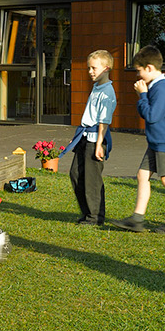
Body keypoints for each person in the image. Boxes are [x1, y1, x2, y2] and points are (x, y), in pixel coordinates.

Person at [112, 46, 165, 234]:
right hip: (156, 141)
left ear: (149, 68)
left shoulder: (162, 87)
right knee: (142, 175)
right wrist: (144, 96)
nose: (137, 75)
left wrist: (143, 95)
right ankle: (137, 219)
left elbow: (152, 116)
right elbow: (146, 112)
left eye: (139, 71)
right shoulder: (154, 86)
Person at [67, 49, 118, 225]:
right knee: (75, 173)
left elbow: (104, 122)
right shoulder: (97, 87)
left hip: (96, 139)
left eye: (94, 68)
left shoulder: (107, 92)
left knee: (92, 179)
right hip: (85, 136)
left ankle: (95, 217)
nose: (90, 71)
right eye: (89, 68)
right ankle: (87, 212)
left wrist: (98, 145)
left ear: (106, 68)